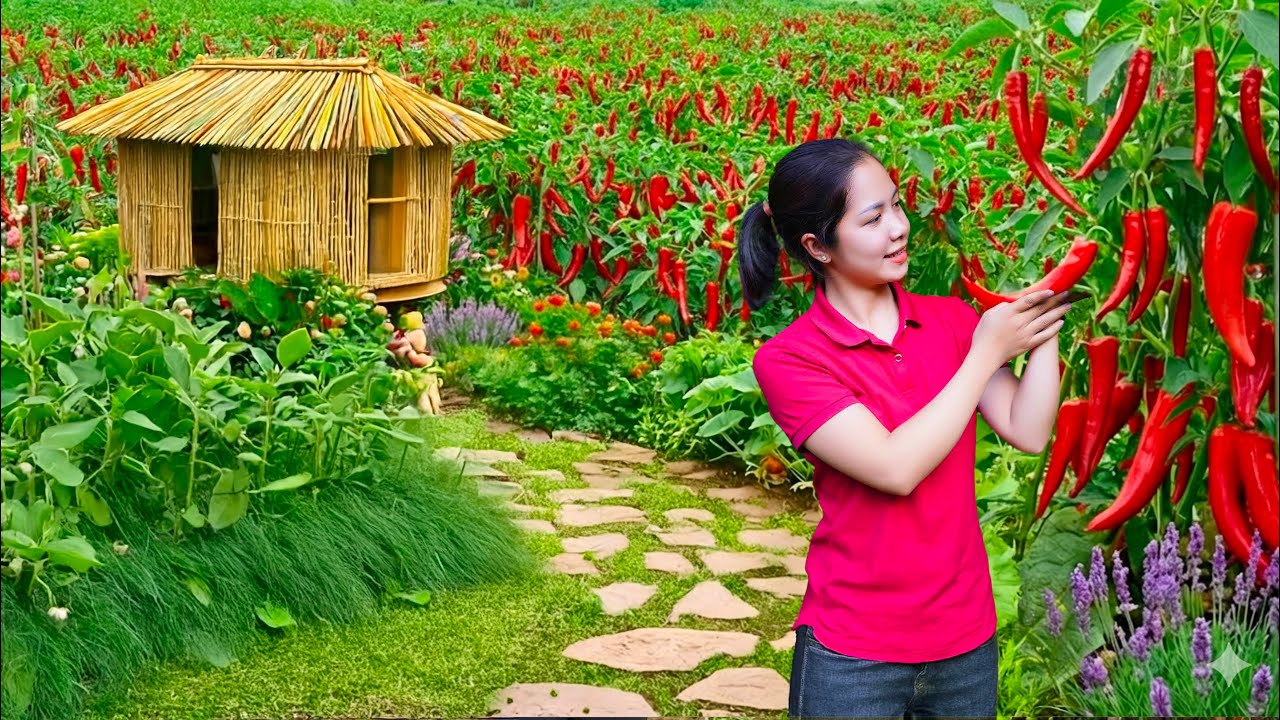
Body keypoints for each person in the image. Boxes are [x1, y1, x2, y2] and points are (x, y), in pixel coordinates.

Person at [739, 139, 1071, 719]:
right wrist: (984, 354)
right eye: (873, 218)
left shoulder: (948, 320)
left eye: (897, 205)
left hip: (965, 639)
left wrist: (1043, 323)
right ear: (818, 247)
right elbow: (895, 469)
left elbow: (1029, 429)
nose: (899, 227)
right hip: (853, 652)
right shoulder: (791, 360)